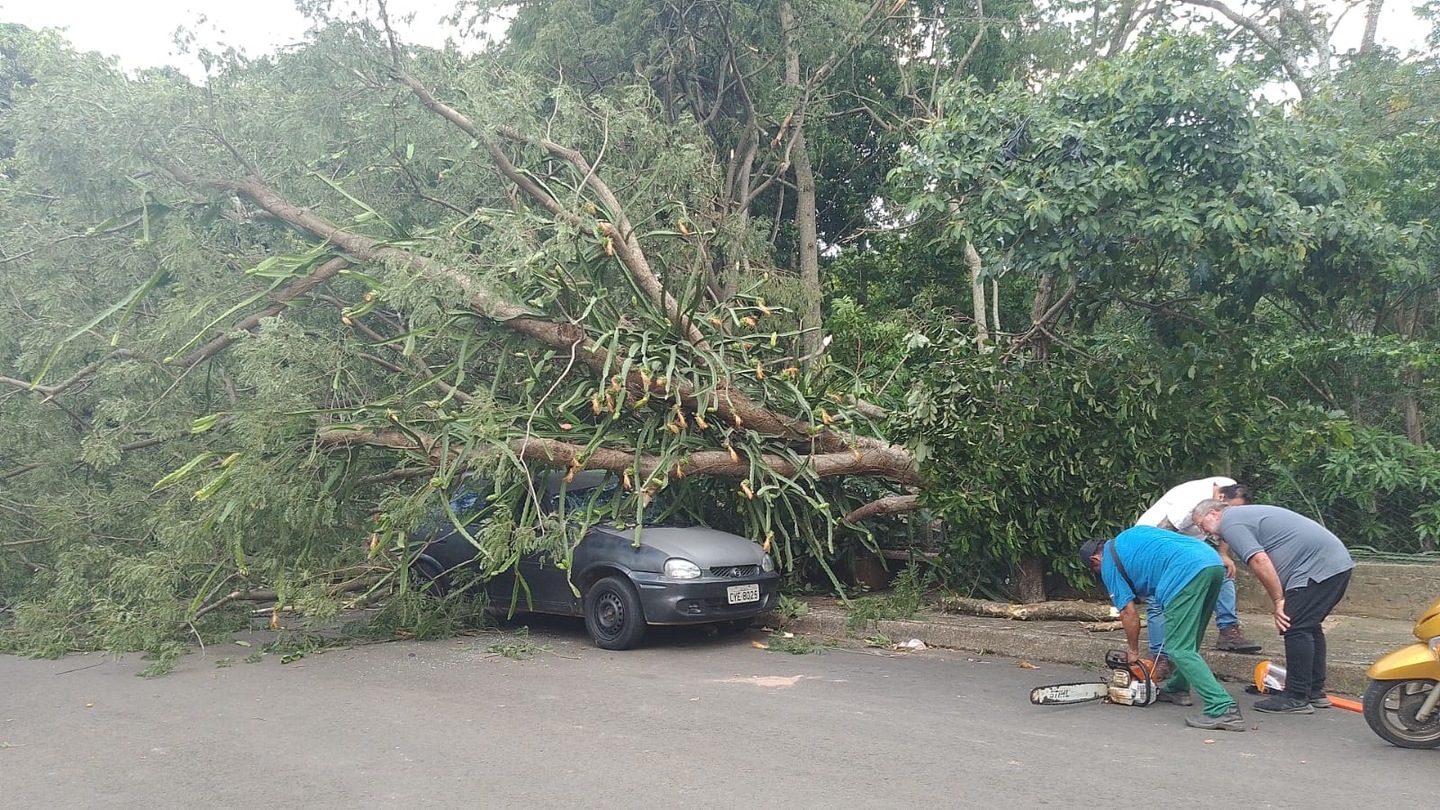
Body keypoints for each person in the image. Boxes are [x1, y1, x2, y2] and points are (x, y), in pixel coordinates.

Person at [1190, 500, 1355, 714]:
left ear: (1213, 513)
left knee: (1294, 626)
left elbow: (1260, 561)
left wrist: (1279, 600)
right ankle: (1314, 691)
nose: (1203, 532)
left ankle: (1296, 696)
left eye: (1201, 524)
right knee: (1308, 626)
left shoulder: (1231, 523)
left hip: (1317, 568)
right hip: (1333, 565)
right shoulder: (1242, 516)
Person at [1080, 526, 1246, 732]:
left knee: (1178, 648)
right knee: (1190, 639)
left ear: (1095, 560)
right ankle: (1178, 688)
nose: (1101, 574)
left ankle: (1223, 707)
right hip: (1212, 562)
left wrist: (1133, 651)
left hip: (1186, 571)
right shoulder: (1131, 536)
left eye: (1096, 571)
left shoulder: (1108, 564)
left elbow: (1128, 612)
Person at [1137, 478, 1262, 663]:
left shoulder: (1230, 488)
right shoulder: (1190, 500)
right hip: (1154, 540)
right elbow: (1163, 533)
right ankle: (1161, 657)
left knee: (1221, 571)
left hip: (1187, 544)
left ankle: (1228, 631)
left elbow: (1228, 523)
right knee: (1158, 596)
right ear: (1219, 499)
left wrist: (1223, 554)